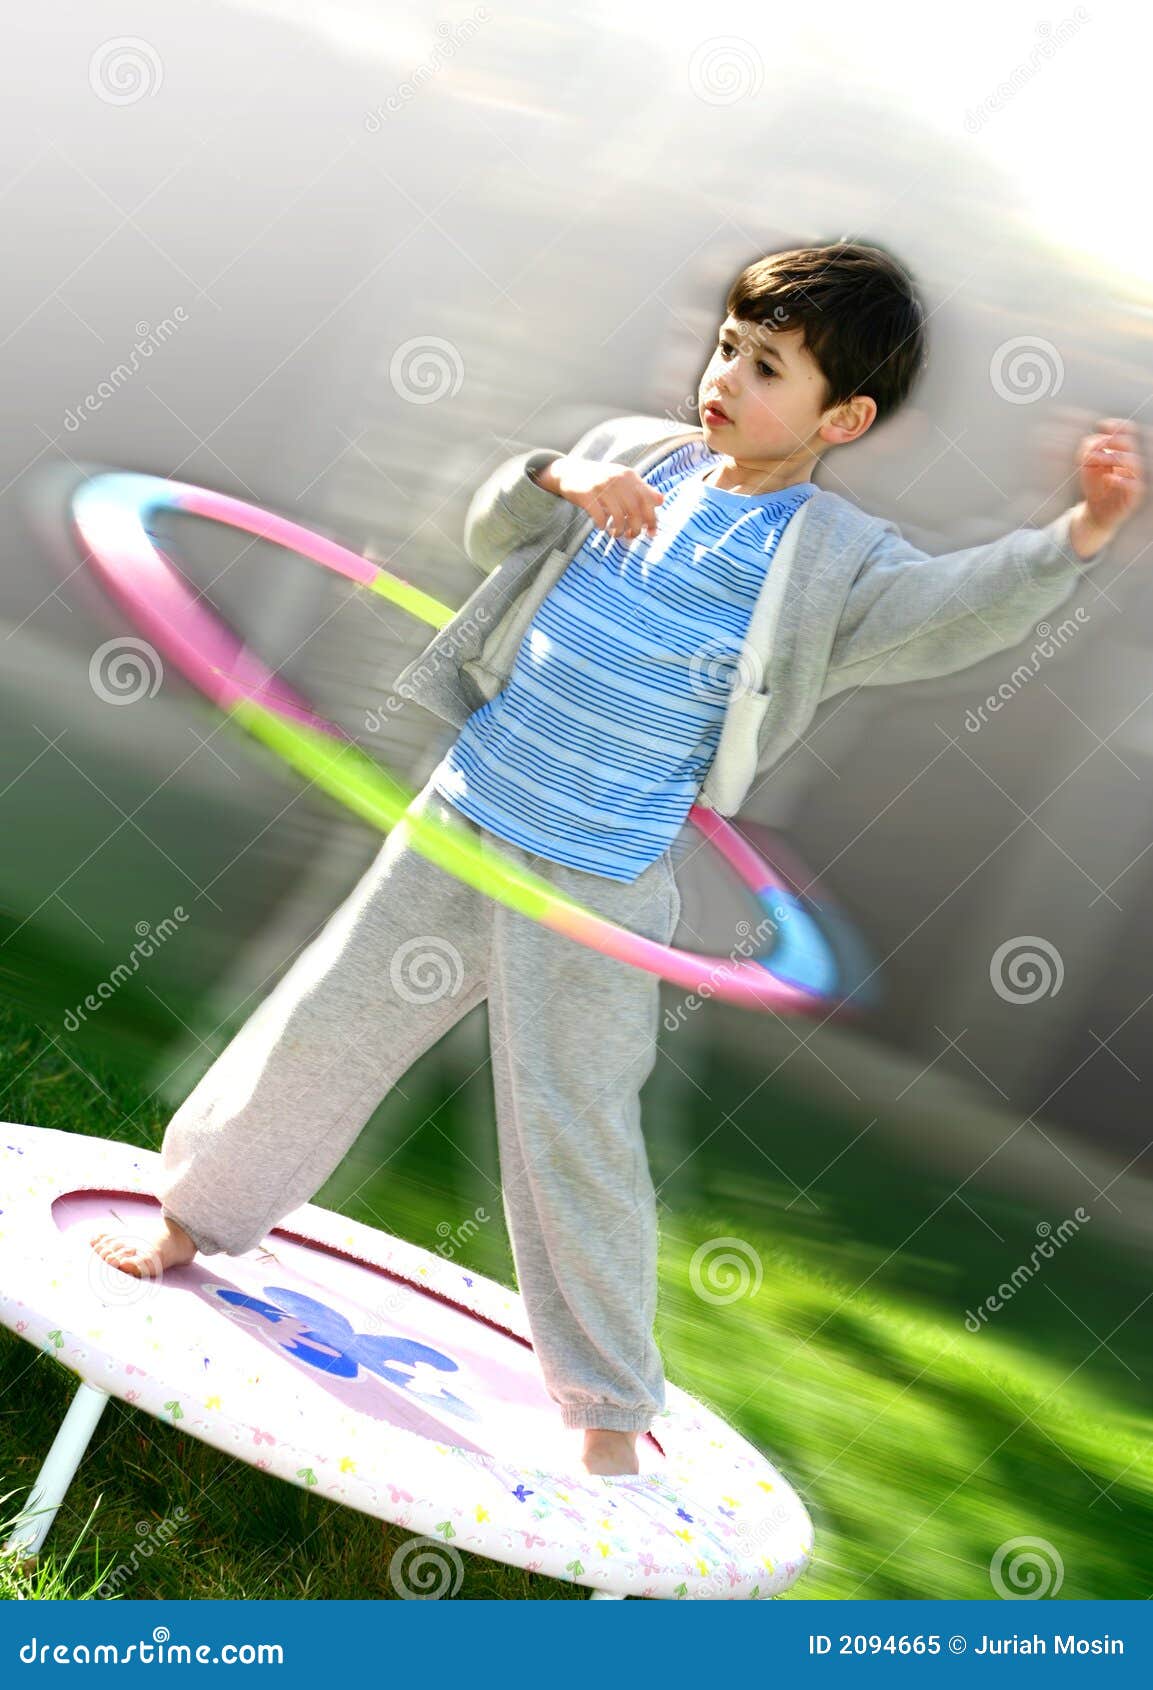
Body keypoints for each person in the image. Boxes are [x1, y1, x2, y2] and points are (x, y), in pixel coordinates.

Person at [90, 240, 1145, 1477]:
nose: (725, 378)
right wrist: (558, 476)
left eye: (768, 369)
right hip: (468, 812)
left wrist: (1074, 533)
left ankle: (603, 1408)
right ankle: (189, 1219)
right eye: (727, 347)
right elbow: (492, 527)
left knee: (574, 1123)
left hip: (595, 876)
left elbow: (946, 612)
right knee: (326, 1019)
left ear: (841, 416)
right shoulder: (635, 456)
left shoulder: (831, 562)